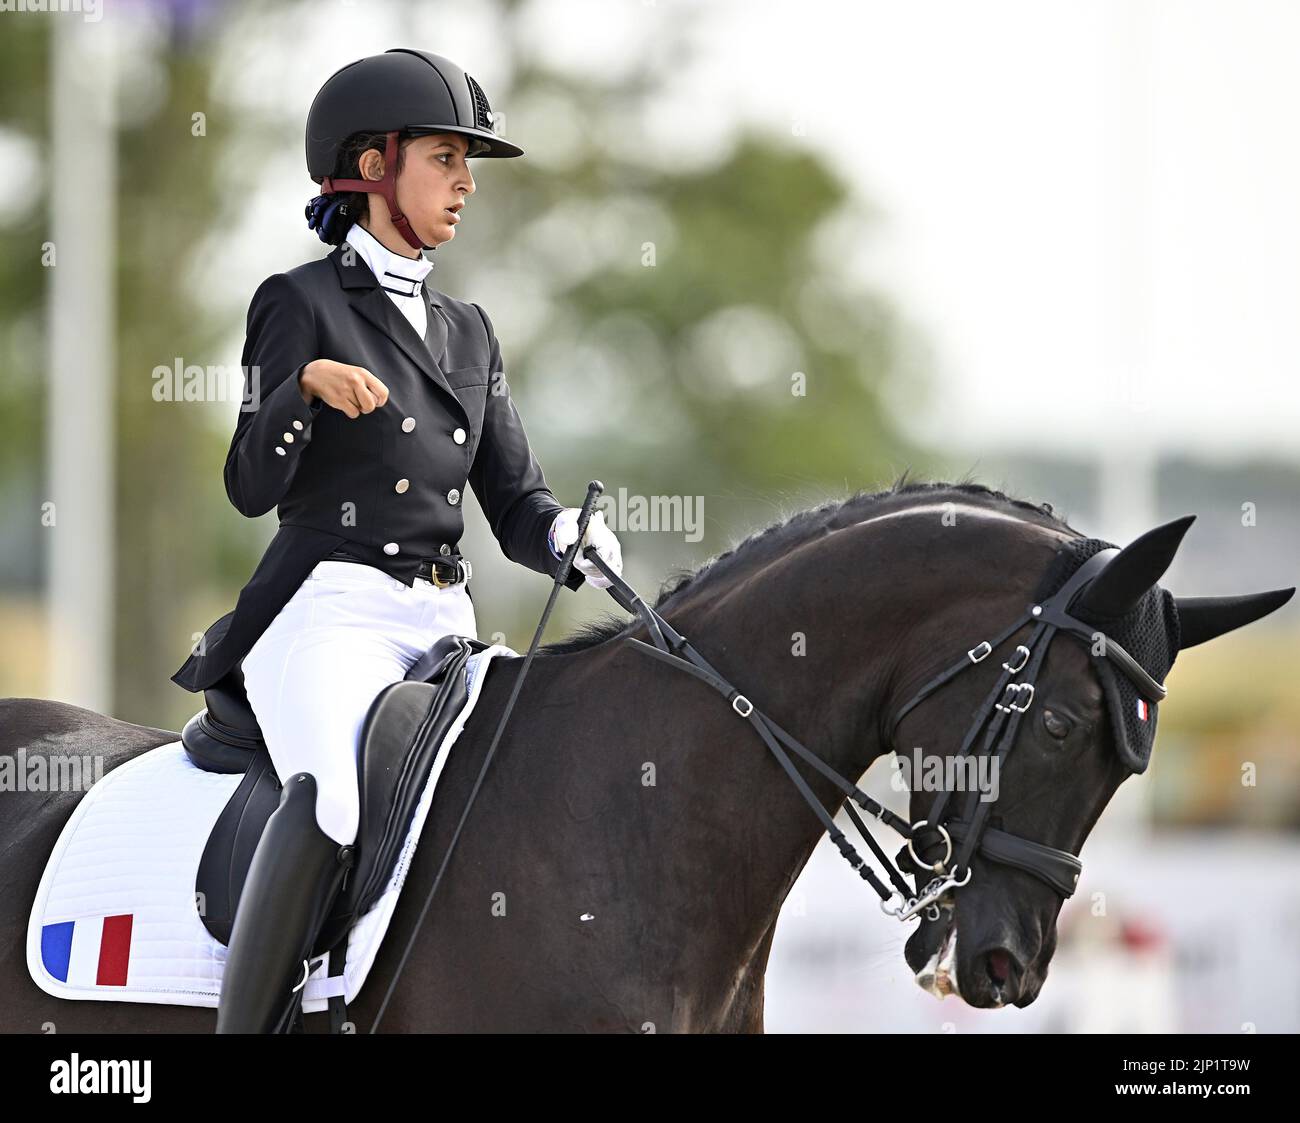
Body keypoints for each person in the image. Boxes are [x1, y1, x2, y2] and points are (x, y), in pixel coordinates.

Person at [169, 48, 622, 1033]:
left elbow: (514, 501)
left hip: (443, 618)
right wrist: (300, 394)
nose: (465, 183)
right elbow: (250, 485)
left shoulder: (470, 332)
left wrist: (566, 534)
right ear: (373, 166)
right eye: (445, 158)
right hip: (325, 610)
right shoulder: (300, 302)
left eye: (469, 164)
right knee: (334, 796)